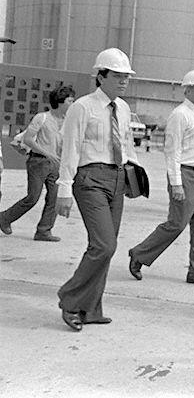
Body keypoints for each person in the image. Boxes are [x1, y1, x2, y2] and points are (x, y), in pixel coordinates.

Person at [56, 47, 139, 332]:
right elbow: (70, 148)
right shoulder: (82, 107)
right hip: (90, 179)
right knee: (104, 245)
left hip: (117, 177)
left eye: (126, 76)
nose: (124, 81)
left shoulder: (123, 108)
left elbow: (126, 143)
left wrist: (134, 175)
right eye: (117, 75)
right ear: (101, 77)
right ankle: (70, 300)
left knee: (105, 247)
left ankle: (90, 308)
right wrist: (64, 189)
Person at [128, 70, 194, 286]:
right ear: (187, 90)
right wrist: (176, 183)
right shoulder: (180, 115)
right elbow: (172, 152)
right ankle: (139, 254)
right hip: (186, 175)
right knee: (177, 224)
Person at [0, 85, 75, 241]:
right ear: (60, 101)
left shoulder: (68, 121)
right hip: (38, 162)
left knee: (54, 198)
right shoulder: (42, 117)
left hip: (57, 164)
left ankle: (44, 231)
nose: (72, 104)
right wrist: (47, 153)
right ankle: (4, 218)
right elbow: (28, 139)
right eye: (70, 100)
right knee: (32, 197)